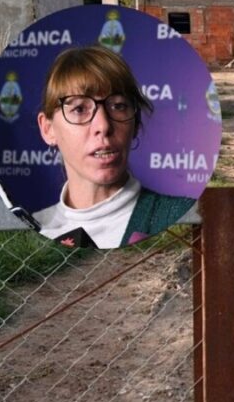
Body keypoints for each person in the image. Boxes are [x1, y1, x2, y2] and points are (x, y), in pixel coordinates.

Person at [33, 45, 195, 249]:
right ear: (48, 129)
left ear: (135, 123)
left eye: (118, 106)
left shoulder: (181, 216)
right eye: (79, 109)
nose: (103, 125)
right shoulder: (34, 229)